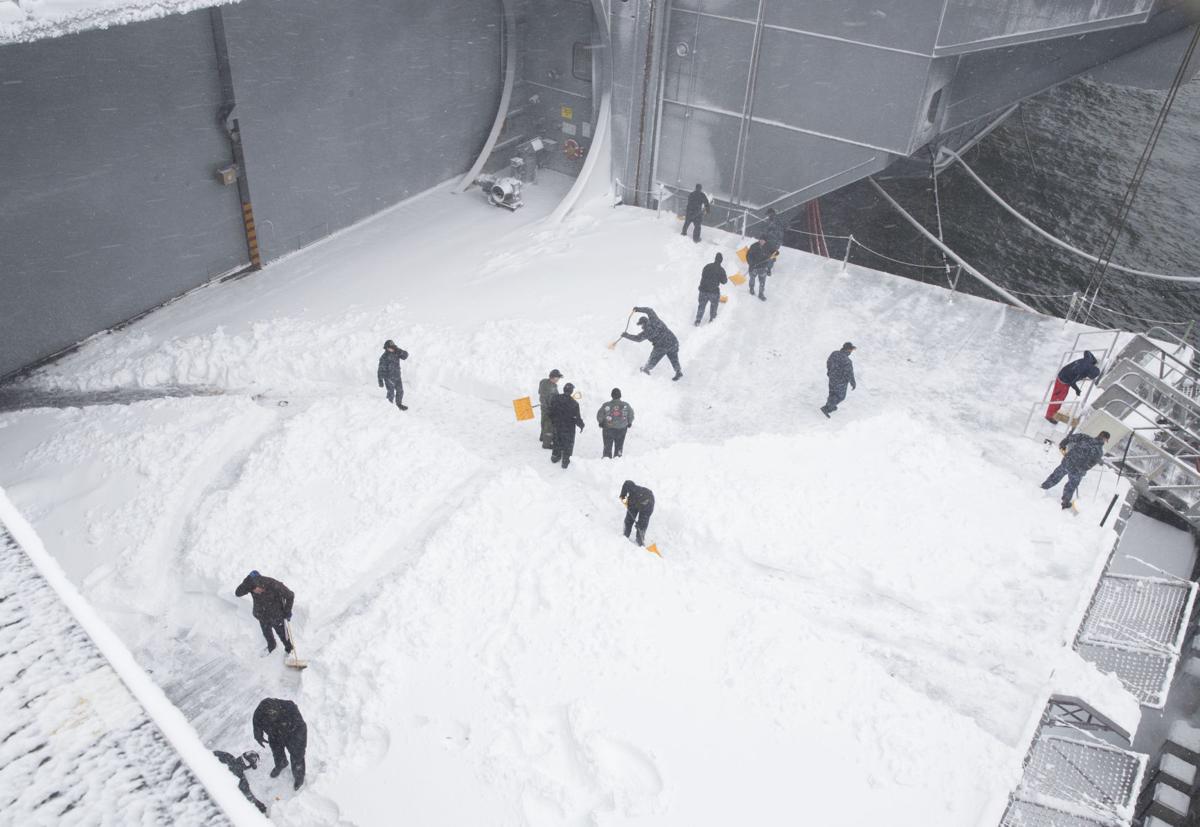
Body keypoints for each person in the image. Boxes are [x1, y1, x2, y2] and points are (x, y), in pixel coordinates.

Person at [1042, 430, 1110, 510]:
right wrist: (1082, 469)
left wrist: (1063, 443)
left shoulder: (1085, 438)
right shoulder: (1099, 451)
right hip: (1077, 471)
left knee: (1056, 476)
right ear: (1106, 440)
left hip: (1068, 462)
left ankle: (1043, 487)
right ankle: (1065, 502)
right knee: (1071, 487)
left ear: (1099, 434)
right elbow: (1091, 464)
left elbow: (1070, 438)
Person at [235, 571, 295, 656]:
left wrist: (287, 611)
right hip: (262, 616)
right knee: (267, 635)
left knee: (283, 636)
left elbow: (290, 595)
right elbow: (238, 593)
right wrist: (249, 583)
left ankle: (289, 651)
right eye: (255, 590)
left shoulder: (273, 584)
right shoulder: (251, 586)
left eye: (259, 589)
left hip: (276, 616)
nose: (258, 591)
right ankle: (272, 647)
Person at [253, 698, 307, 791]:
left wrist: (298, 743)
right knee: (276, 750)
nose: (272, 717)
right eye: (269, 715)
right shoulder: (260, 711)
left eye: (274, 714)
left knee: (297, 755)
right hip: (274, 733)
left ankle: (299, 777)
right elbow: (256, 722)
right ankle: (281, 763)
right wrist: (258, 736)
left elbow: (300, 727)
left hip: (294, 732)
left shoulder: (289, 707)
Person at [622, 306, 682, 381]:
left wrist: (626, 335)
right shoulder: (655, 319)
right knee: (673, 357)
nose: (641, 327)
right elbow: (649, 310)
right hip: (673, 341)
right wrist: (638, 309)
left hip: (661, 346)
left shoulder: (647, 332)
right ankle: (678, 371)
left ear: (643, 324)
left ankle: (646, 369)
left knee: (654, 357)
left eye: (641, 325)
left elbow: (638, 339)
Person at [1046, 351, 1101, 423]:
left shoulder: (1088, 360)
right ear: (1088, 372)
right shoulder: (1079, 372)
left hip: (1067, 374)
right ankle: (1050, 416)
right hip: (1063, 380)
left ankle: (1054, 414)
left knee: (1060, 398)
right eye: (1089, 376)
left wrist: (1094, 360)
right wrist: (1077, 390)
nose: (1087, 377)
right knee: (1057, 399)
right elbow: (1072, 382)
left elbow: (1087, 352)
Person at [549, 382, 585, 468]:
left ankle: (555, 456)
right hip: (568, 428)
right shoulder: (574, 403)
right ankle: (565, 461)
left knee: (557, 440)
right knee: (568, 444)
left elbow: (551, 411)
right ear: (571, 391)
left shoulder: (555, 398)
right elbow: (577, 418)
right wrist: (581, 425)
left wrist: (553, 420)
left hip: (557, 425)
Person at [820, 342, 857, 418]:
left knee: (832, 393)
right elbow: (849, 373)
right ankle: (827, 408)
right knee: (840, 397)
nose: (851, 351)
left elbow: (828, 362)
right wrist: (853, 383)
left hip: (832, 378)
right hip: (841, 381)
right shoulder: (847, 361)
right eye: (851, 350)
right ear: (848, 350)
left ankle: (831, 406)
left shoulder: (834, 353)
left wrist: (829, 372)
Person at [597, 388, 634, 458]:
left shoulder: (606, 405)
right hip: (622, 429)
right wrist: (629, 422)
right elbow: (631, 414)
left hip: (608, 428)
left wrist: (601, 422)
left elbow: (600, 415)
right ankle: (618, 457)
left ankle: (606, 458)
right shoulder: (626, 405)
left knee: (607, 446)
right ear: (620, 395)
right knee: (619, 445)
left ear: (612, 395)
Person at [619, 480, 655, 547]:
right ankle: (636, 539)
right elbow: (627, 484)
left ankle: (637, 540)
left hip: (647, 502)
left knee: (636, 523)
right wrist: (623, 496)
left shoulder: (633, 497)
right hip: (648, 498)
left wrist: (640, 526)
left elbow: (630, 520)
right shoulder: (635, 489)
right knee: (637, 522)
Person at [695, 252, 728, 325]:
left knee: (701, 306)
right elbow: (724, 281)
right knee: (714, 305)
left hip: (703, 290)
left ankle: (698, 320)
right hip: (713, 292)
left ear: (715, 258)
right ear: (721, 260)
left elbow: (703, 274)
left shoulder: (707, 266)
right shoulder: (721, 270)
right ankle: (712, 319)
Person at [376, 339, 409, 411]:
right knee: (391, 393)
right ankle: (388, 406)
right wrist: (380, 380)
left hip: (397, 376)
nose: (392, 349)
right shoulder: (384, 357)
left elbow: (405, 356)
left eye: (393, 347)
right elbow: (380, 370)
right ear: (386, 348)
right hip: (388, 378)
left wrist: (398, 350)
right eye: (390, 348)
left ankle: (399, 404)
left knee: (400, 391)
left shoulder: (397, 353)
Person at [538, 369, 563, 450]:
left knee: (544, 422)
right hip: (547, 408)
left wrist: (561, 398)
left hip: (550, 407)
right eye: (557, 378)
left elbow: (556, 395)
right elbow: (542, 397)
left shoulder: (554, 385)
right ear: (552, 377)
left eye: (558, 378)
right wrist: (547, 407)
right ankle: (547, 443)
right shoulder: (545, 384)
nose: (558, 380)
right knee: (548, 424)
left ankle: (543, 437)